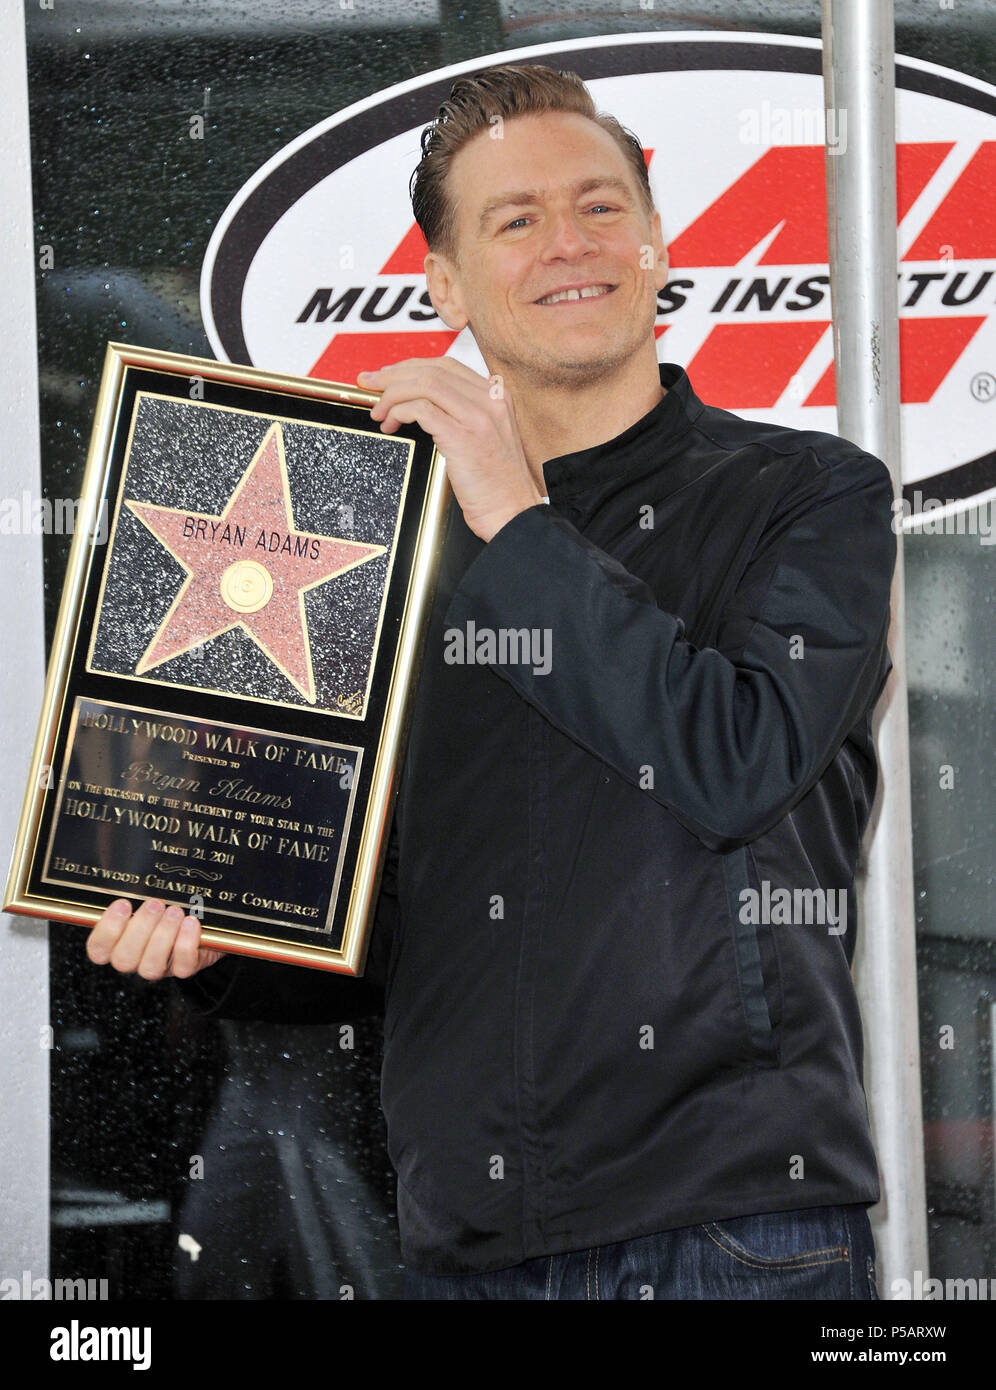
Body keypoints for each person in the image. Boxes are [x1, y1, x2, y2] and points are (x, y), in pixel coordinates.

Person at [86, 63, 895, 1300]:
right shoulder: (376, 552)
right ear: (445, 284)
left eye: (601, 205)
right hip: (469, 1242)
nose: (570, 242)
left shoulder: (810, 495)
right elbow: (380, 911)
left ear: (658, 240)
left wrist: (512, 510)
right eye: (515, 219)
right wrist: (220, 934)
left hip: (737, 1233)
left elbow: (735, 763)